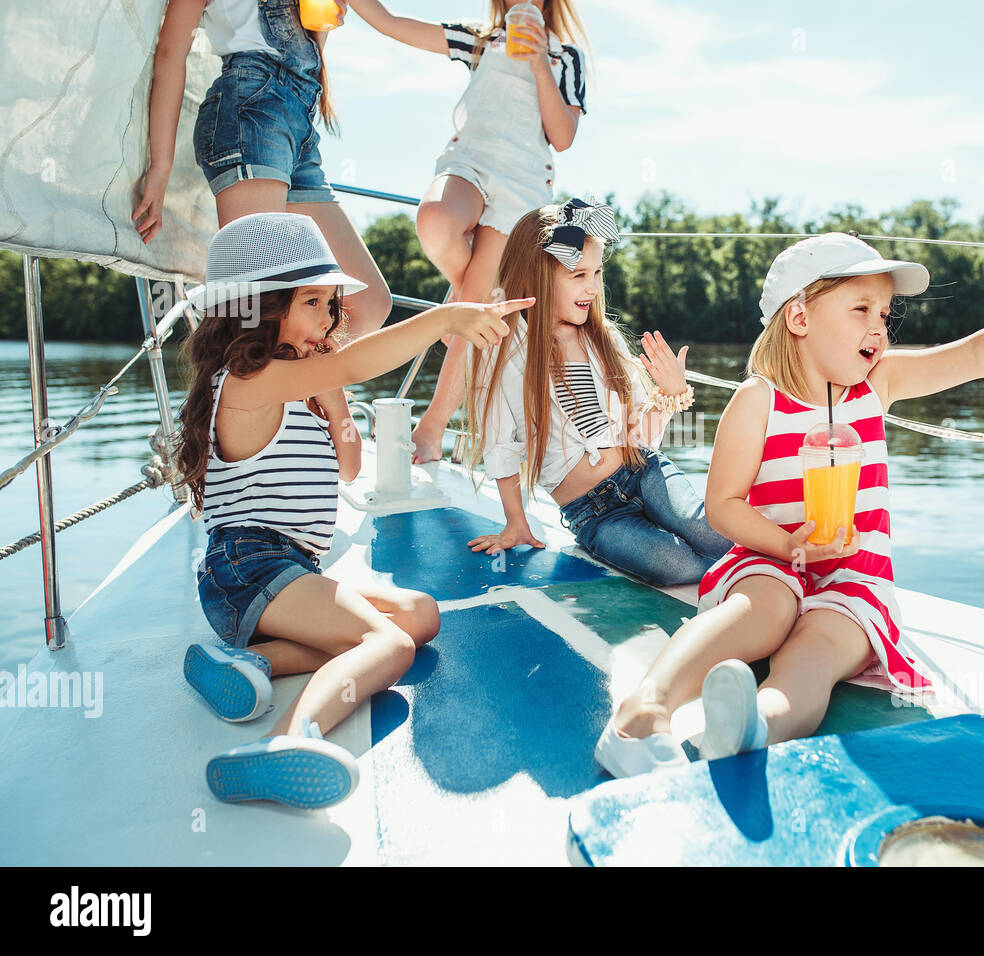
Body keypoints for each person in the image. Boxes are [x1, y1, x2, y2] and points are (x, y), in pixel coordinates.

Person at [595, 232, 984, 777]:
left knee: (819, 652)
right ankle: (642, 713)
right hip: (773, 562)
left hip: (856, 579)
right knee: (762, 609)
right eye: (860, 310)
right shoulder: (758, 401)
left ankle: (752, 726)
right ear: (799, 316)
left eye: (884, 314)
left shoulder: (878, 385)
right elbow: (722, 506)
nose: (879, 328)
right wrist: (787, 545)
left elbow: (980, 353)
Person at [176, 212, 529, 808]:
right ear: (260, 307)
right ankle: (286, 742)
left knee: (419, 616)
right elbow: (356, 362)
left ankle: (247, 661)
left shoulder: (294, 386)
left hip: (286, 572)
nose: (327, 318)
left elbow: (346, 464)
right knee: (389, 646)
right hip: (248, 567)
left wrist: (328, 385)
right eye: (311, 302)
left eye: (330, 303)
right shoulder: (244, 381)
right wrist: (445, 318)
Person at [342, 0, 591, 463]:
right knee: (435, 220)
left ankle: (431, 428)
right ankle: (469, 298)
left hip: (522, 182)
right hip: (470, 161)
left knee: (475, 303)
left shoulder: (567, 58)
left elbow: (563, 136)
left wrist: (539, 64)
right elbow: (391, 24)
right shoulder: (479, 39)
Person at [463, 198, 732, 587]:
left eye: (598, 273)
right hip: (593, 512)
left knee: (714, 535)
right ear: (536, 275)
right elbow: (500, 443)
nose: (592, 287)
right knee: (676, 565)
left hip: (644, 472)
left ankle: (774, 570)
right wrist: (515, 522)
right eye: (578, 275)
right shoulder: (503, 346)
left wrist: (670, 394)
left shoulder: (601, 337)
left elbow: (641, 435)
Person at [133, 0, 392, 336]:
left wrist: (323, 25)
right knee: (258, 306)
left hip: (299, 121)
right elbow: (170, 52)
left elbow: (307, 56)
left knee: (368, 304)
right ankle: (237, 386)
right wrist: (160, 166)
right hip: (250, 111)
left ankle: (303, 387)